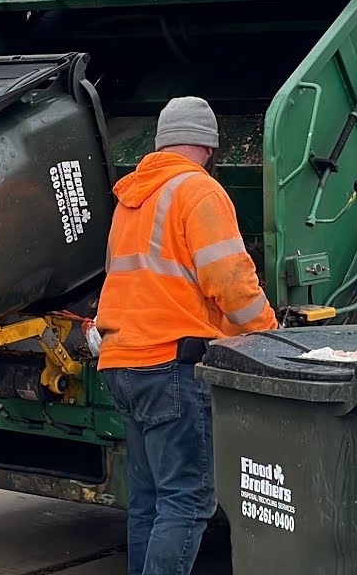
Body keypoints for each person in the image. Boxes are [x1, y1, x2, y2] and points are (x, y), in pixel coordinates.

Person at [95, 96, 278, 575]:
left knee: (149, 502)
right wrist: (268, 334)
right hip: (169, 368)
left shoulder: (131, 197)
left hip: (122, 362)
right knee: (188, 503)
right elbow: (230, 281)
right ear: (210, 145)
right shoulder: (199, 191)